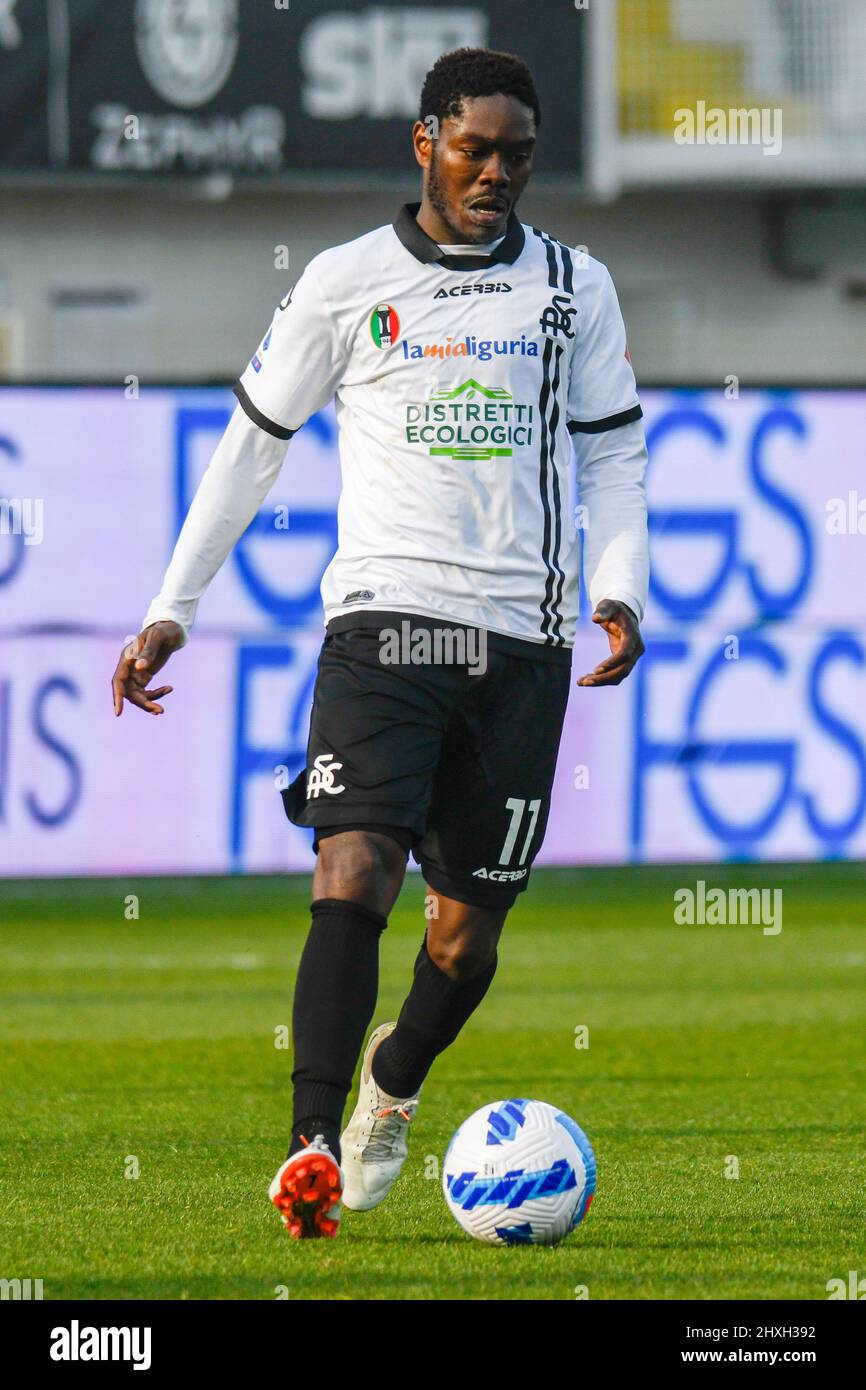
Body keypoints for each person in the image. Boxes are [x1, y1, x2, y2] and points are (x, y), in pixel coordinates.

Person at [111, 47, 648, 1239]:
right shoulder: (344, 282)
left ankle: (390, 1088)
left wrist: (620, 588)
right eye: (473, 148)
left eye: (516, 153)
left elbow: (610, 450)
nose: (495, 171)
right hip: (381, 624)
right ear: (424, 143)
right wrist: (171, 605)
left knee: (462, 940)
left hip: (520, 640)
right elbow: (255, 443)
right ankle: (306, 1145)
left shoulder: (573, 288)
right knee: (352, 866)